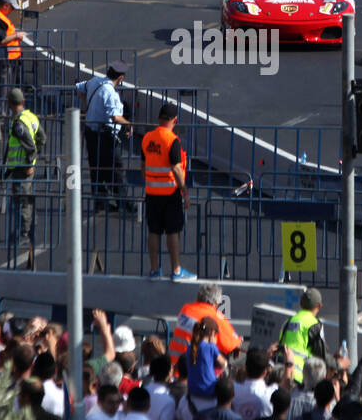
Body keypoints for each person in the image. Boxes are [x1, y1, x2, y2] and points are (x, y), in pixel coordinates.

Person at [141, 102, 193, 279]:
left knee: (154, 231)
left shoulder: (147, 138)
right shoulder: (172, 140)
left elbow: (143, 165)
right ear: (174, 120)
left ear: (159, 118)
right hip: (170, 194)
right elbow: (177, 169)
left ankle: (155, 270)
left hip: (152, 193)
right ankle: (176, 270)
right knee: (172, 231)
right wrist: (184, 191)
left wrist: (150, 181)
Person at [75, 62, 133, 211]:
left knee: (96, 167)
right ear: (121, 78)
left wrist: (88, 103)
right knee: (115, 168)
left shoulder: (95, 81)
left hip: (91, 131)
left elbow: (79, 88)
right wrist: (128, 124)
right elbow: (115, 117)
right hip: (105, 135)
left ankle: (101, 201)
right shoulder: (110, 92)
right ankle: (123, 202)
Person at [0, 87, 44, 270]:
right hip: (21, 167)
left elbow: (31, 145)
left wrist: (30, 162)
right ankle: (28, 227)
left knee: (23, 200)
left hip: (22, 168)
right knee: (25, 199)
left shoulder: (18, 123)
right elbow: (42, 138)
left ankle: (24, 233)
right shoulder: (30, 117)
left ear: (10, 103)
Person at [168, 282, 242, 369]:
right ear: (216, 303)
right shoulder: (215, 317)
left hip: (173, 365)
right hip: (193, 369)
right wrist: (238, 342)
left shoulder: (186, 309)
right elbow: (231, 344)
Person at [279, 287, 330, 387]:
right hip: (300, 376)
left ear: (301, 304)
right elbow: (321, 353)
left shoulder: (288, 321)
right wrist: (337, 365)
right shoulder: (315, 324)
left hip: (282, 372)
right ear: (319, 306)